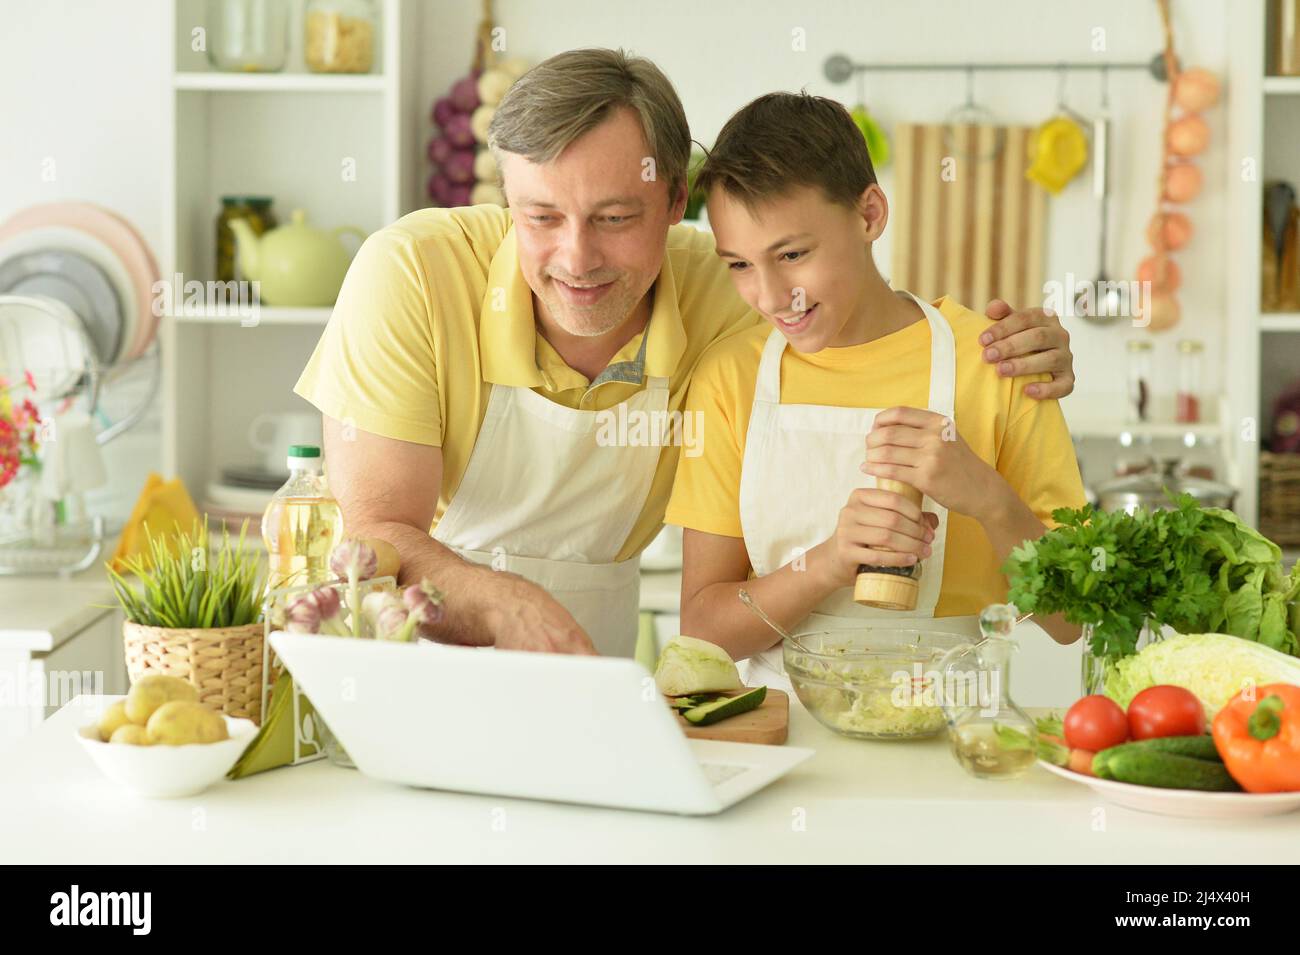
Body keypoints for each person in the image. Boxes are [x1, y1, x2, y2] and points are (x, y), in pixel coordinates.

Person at [293, 49, 1079, 658]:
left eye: (612, 217)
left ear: (676, 203)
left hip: (590, 648)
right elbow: (380, 532)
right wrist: (509, 602)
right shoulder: (414, 274)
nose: (576, 258)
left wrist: (1012, 348)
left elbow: (853, 308)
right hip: (404, 638)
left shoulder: (727, 289)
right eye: (540, 216)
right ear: (506, 201)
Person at [664, 91, 1086, 688]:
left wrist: (991, 502)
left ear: (869, 215)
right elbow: (703, 628)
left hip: (954, 726)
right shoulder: (730, 378)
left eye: (792, 253)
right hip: (783, 728)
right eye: (739, 264)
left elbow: (1071, 619)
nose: (770, 294)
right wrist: (827, 564)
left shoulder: (997, 361)